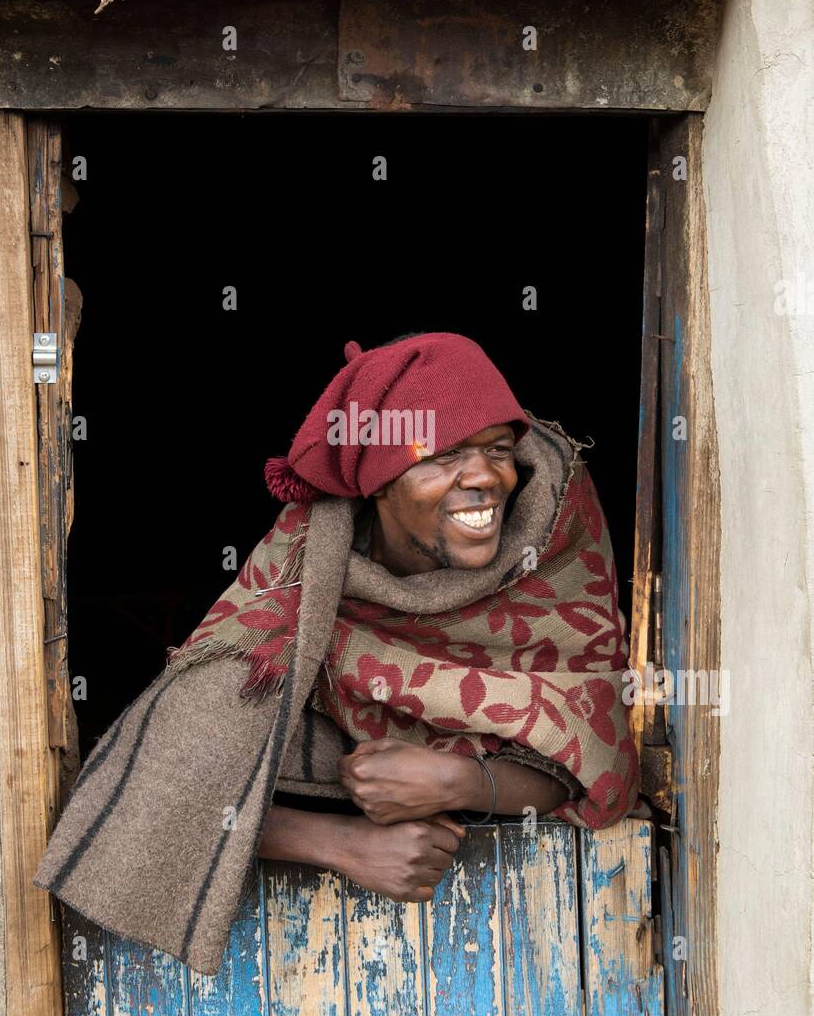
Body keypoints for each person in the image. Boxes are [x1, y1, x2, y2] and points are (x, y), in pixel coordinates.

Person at [35, 330, 646, 977]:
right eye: (440, 456)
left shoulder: (553, 548)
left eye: (496, 449)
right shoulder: (289, 604)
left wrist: (463, 780)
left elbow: (591, 738)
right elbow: (141, 795)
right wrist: (338, 843)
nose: (483, 477)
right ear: (378, 486)